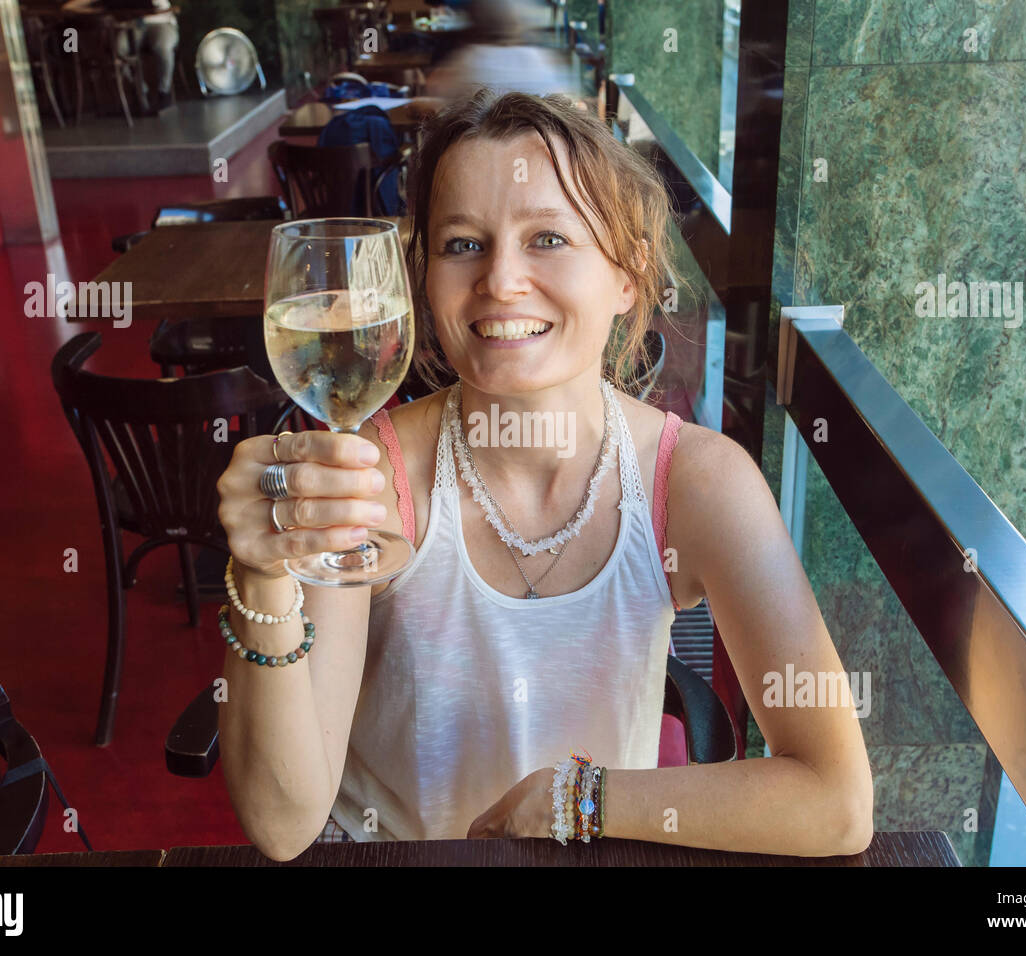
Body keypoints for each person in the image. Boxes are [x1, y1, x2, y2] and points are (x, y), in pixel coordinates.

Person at [214, 91, 872, 856]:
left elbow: (836, 798)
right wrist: (262, 573)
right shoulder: (367, 476)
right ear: (423, 281)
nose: (500, 280)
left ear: (627, 276)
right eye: (463, 245)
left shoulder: (695, 483)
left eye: (549, 239)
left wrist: (574, 797)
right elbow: (282, 824)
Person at [424, 0, 581, 101]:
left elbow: (435, 88)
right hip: (537, 147)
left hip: (484, 147)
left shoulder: (469, 61)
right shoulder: (541, 61)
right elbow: (567, 98)